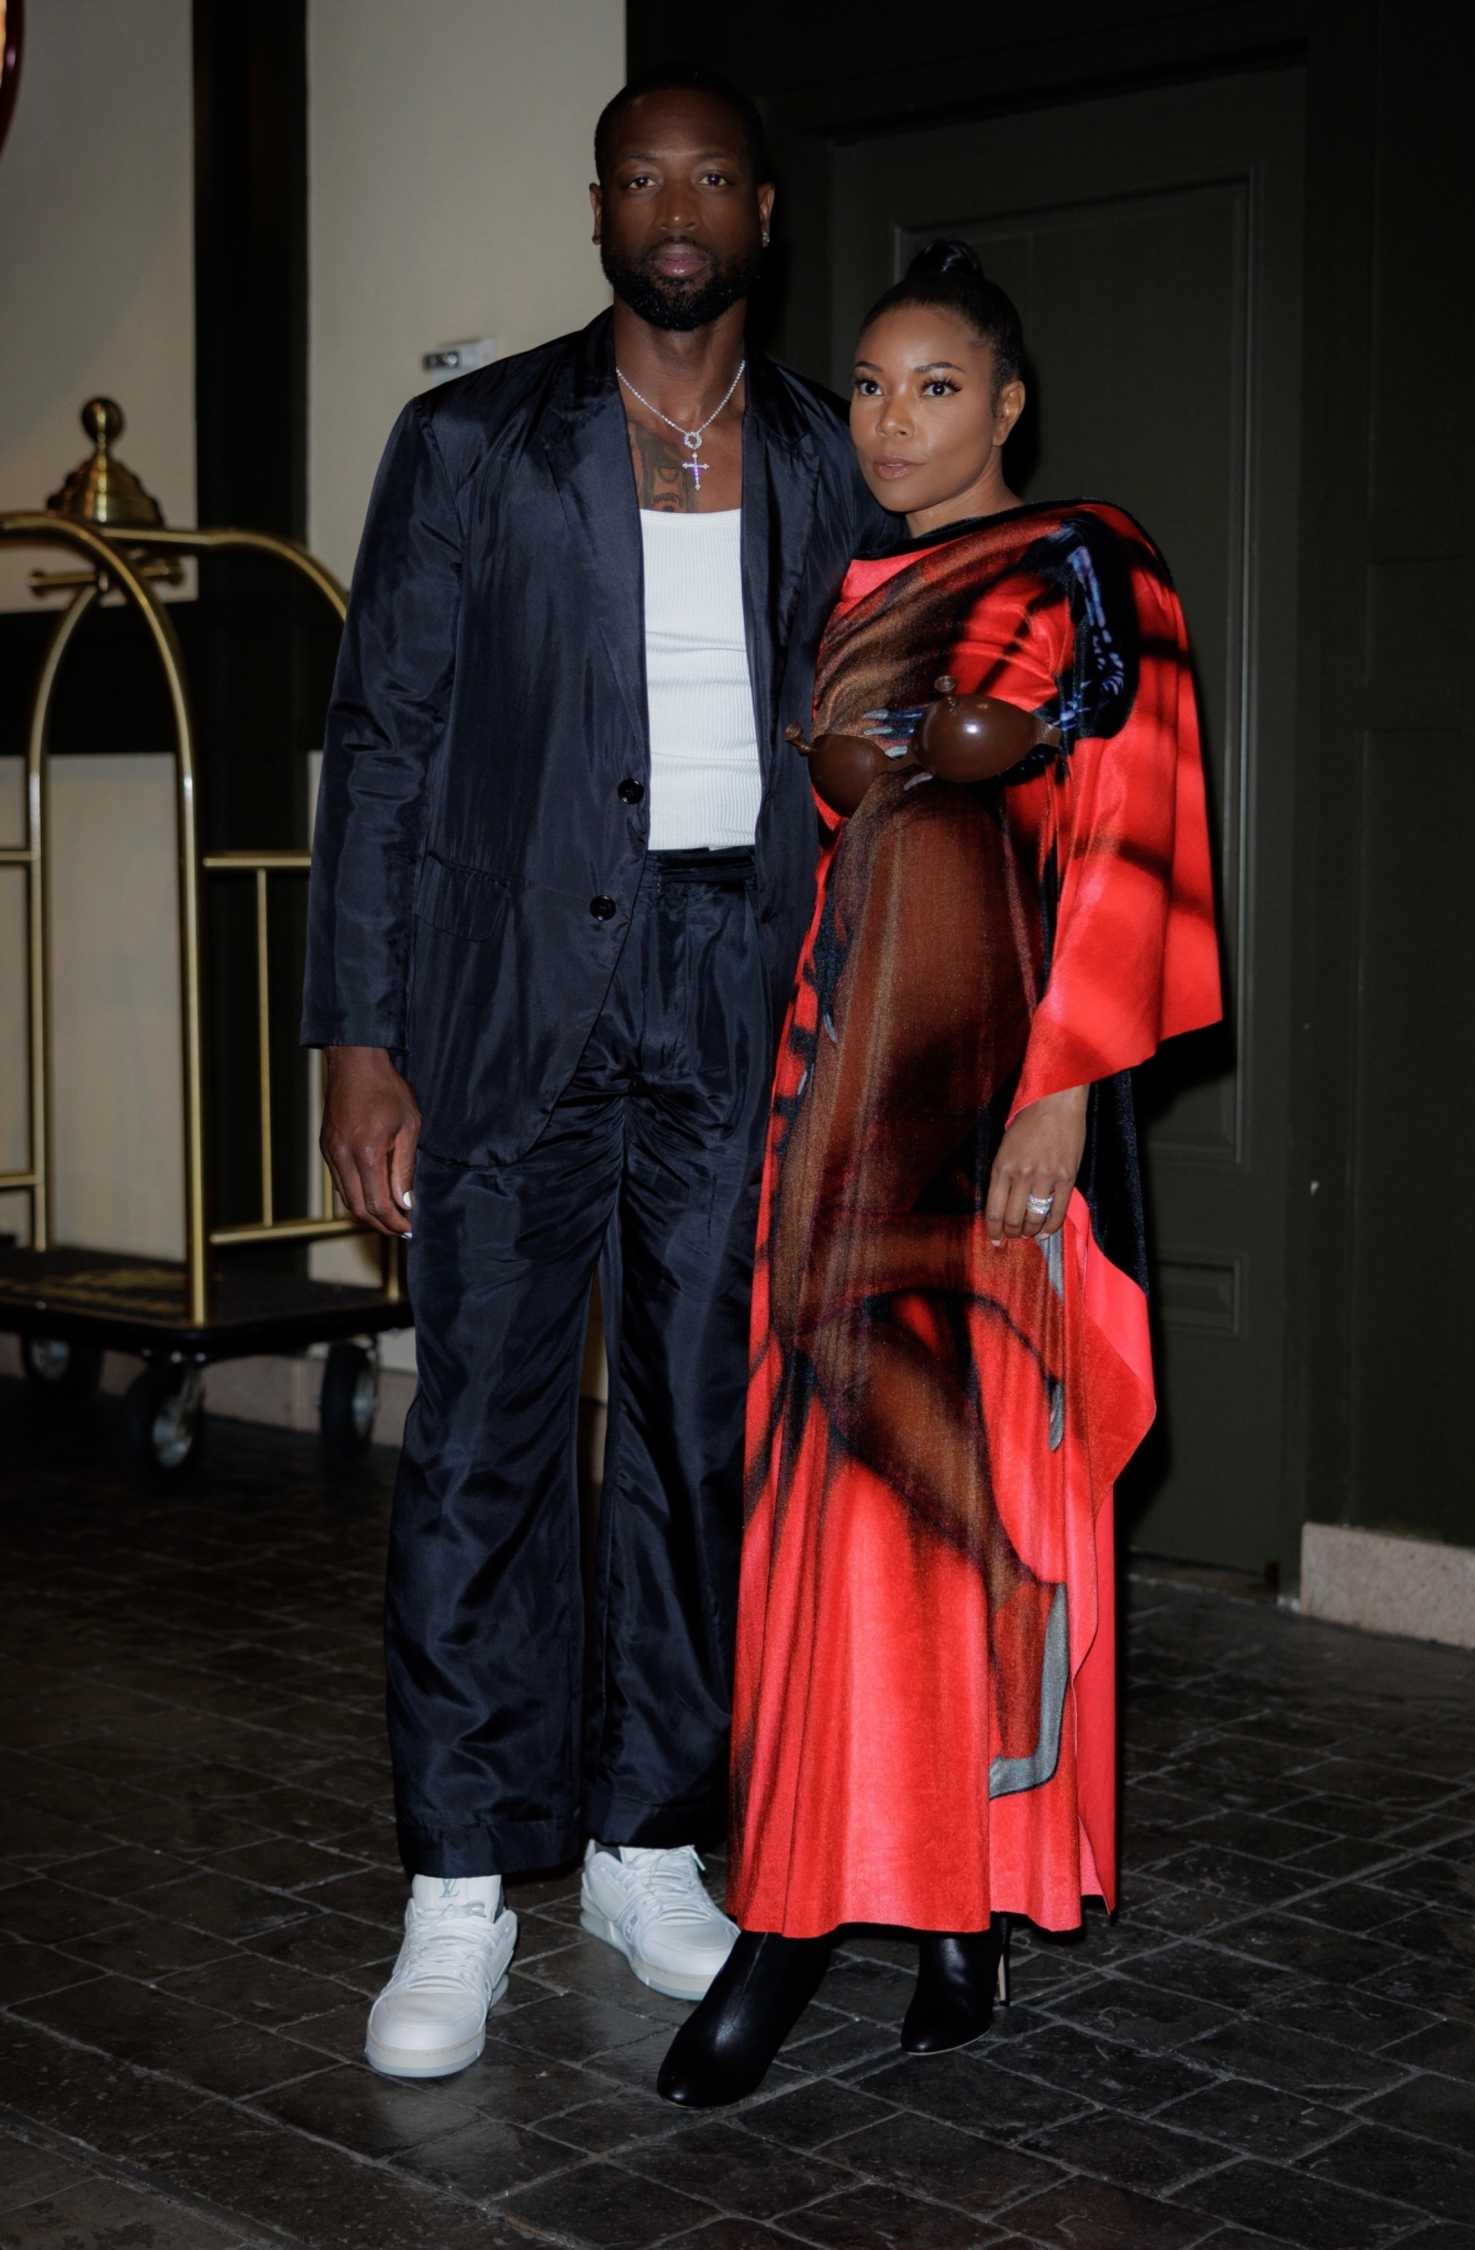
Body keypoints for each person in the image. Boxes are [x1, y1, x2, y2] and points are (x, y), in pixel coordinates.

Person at [300, 65, 888, 2082]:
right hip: (510, 1012)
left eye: (712, 172)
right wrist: (359, 1040)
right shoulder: (473, 443)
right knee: (479, 1435)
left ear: (763, 208)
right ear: (596, 207)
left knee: (702, 1444)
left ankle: (649, 1843)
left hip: (743, 1000)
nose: (676, 204)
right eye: (642, 174)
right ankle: (461, 1880)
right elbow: (380, 748)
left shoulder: (831, 461)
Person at [658, 240, 1221, 2107]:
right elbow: (836, 857)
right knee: (826, 1488)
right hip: (842, 1083)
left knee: (963, 1481)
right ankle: (829, 1893)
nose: (894, 422)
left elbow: (1139, 831)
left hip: (994, 1094)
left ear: (1010, 401)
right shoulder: (852, 589)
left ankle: (938, 1899)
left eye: (936, 387)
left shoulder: (1091, 568)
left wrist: (1066, 1088)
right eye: (874, 388)